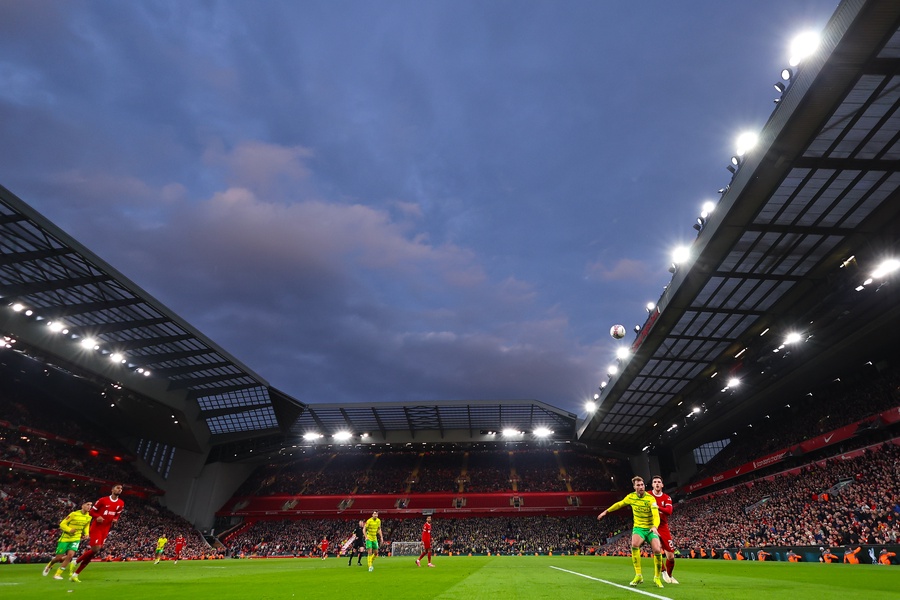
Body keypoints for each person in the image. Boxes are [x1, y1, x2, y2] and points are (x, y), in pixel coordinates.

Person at [597, 476, 664, 589]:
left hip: (650, 527)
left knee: (657, 549)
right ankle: (638, 575)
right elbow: (619, 504)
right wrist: (606, 511)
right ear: (634, 487)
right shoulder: (631, 497)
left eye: (642, 484)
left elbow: (656, 515)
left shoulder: (651, 499)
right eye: (638, 485)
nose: (641, 487)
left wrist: (654, 526)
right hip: (638, 528)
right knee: (634, 545)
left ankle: (657, 578)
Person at [70, 483, 125, 582]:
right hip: (97, 527)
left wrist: (115, 519)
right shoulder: (103, 500)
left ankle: (75, 574)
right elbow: (91, 512)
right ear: (112, 490)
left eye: (121, 488)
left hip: (106, 529)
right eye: (118, 488)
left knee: (94, 553)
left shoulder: (121, 503)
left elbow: (117, 514)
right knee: (96, 549)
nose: (120, 490)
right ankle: (76, 561)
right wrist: (97, 516)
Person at [43, 501, 92, 580]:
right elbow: (62, 524)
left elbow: (86, 526)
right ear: (82, 506)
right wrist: (69, 530)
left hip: (76, 539)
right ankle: (50, 564)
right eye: (87, 504)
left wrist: (86, 534)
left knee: (70, 556)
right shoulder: (74, 514)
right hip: (65, 538)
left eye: (90, 505)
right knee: (59, 558)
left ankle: (57, 574)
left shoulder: (89, 517)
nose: (89, 506)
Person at [650, 475, 678, 584]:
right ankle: (663, 571)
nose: (657, 484)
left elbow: (669, 511)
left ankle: (670, 575)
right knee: (656, 549)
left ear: (662, 485)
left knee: (671, 556)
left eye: (659, 482)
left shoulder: (666, 497)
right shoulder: (647, 495)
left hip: (663, 526)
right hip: (651, 526)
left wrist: (657, 507)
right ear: (652, 484)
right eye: (655, 482)